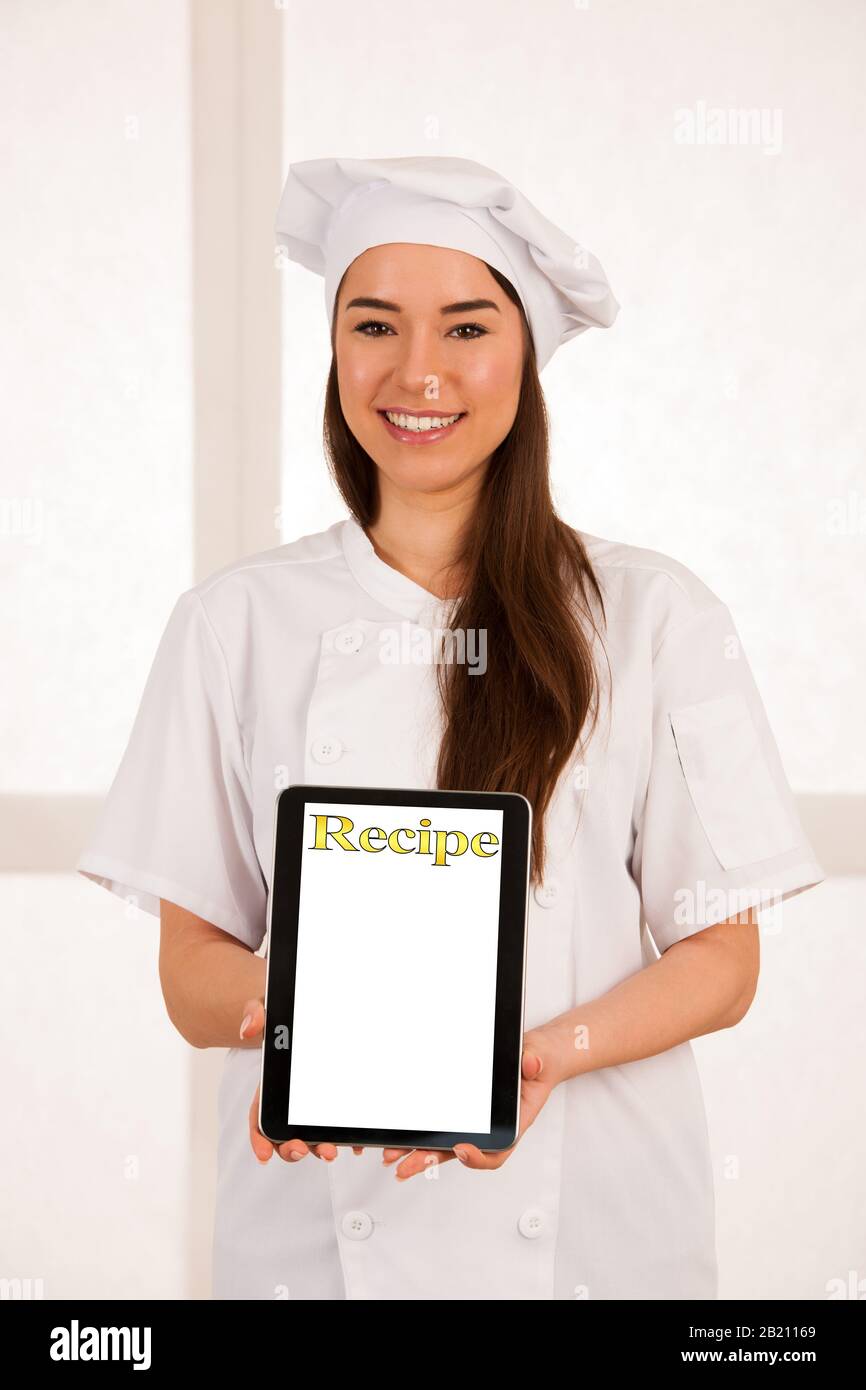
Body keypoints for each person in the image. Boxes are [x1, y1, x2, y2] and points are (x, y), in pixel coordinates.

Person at [77, 155, 825, 1300]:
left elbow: (721, 962)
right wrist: (295, 1039)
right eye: (373, 325)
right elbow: (190, 972)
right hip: (312, 1253)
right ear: (334, 351)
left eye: (465, 327)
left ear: (523, 356)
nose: (415, 370)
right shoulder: (234, 622)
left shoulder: (653, 615)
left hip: (595, 1244)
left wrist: (530, 1063)